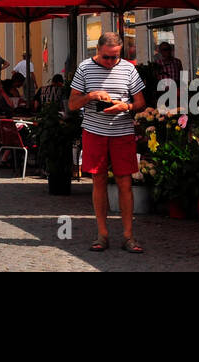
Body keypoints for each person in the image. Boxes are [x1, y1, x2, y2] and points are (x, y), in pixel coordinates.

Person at [69, 31, 147, 254]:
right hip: (94, 132)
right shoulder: (85, 68)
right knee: (99, 181)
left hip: (122, 132)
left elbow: (140, 102)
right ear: (97, 51)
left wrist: (127, 107)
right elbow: (73, 104)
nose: (112, 62)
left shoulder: (128, 69)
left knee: (125, 183)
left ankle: (128, 235)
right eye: (107, 57)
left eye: (115, 57)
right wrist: (91, 96)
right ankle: (102, 234)